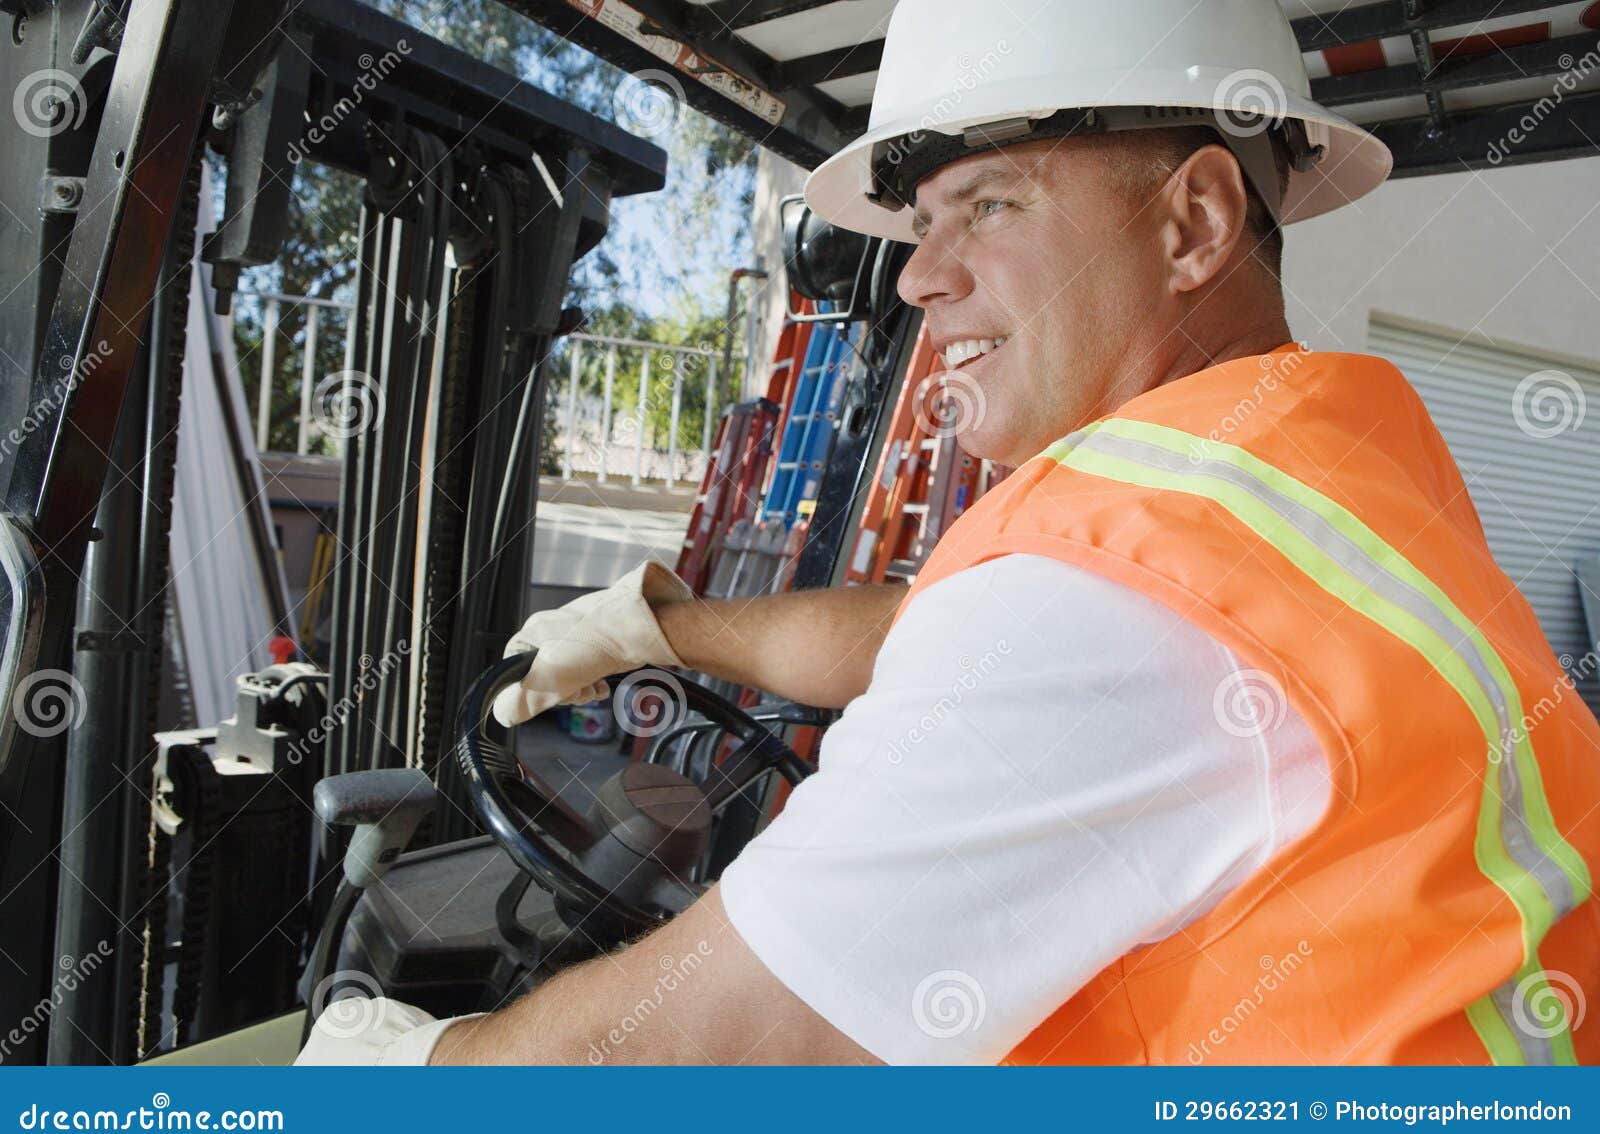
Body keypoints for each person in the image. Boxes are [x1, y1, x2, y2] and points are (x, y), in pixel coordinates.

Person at [298, 0, 1600, 1066]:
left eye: (990, 206)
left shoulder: (1118, 607)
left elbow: (681, 1053)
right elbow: (917, 635)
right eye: (922, 226)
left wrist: (412, 1072)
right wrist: (656, 623)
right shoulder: (1289, 478)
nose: (921, 276)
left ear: (1195, 222)